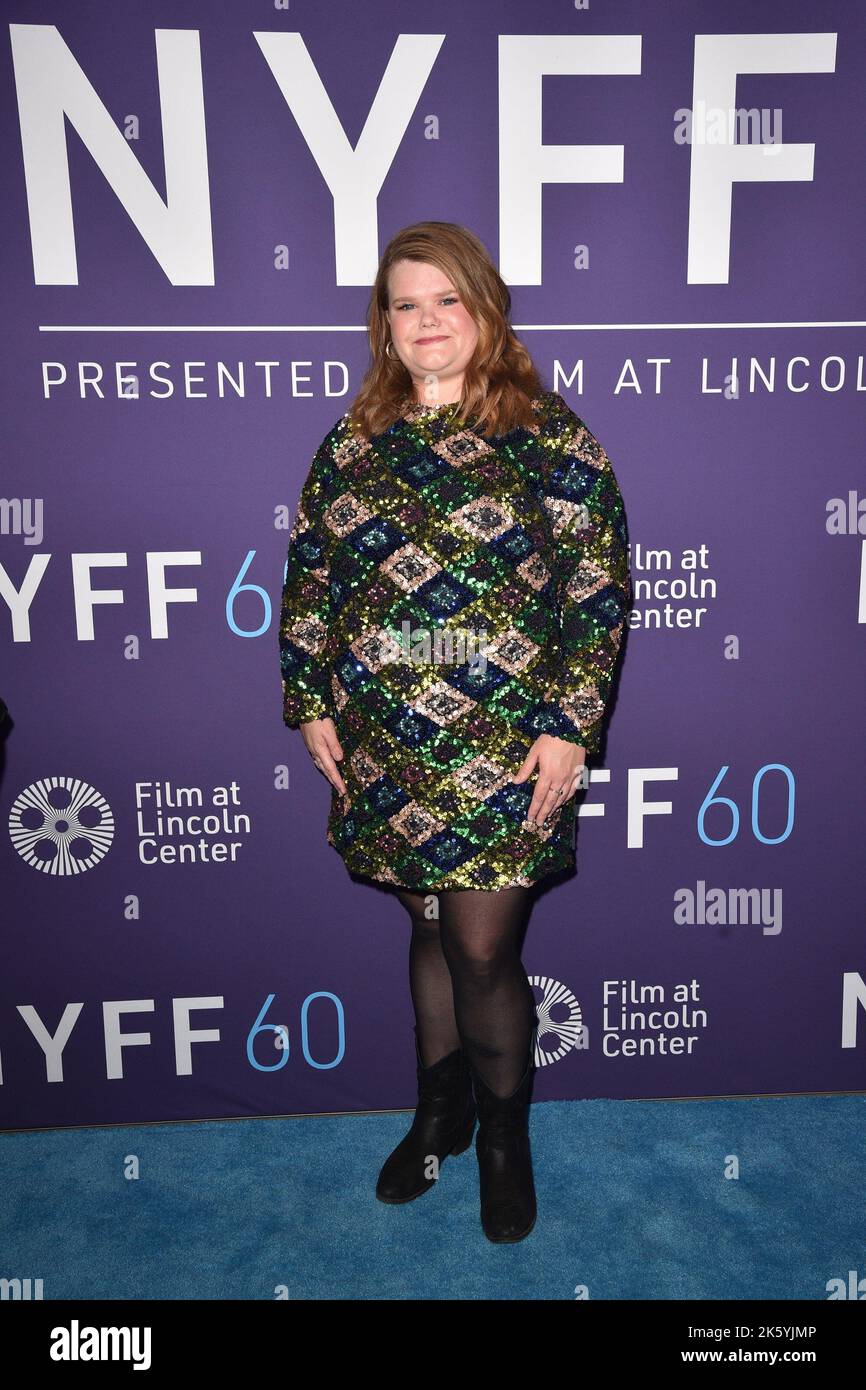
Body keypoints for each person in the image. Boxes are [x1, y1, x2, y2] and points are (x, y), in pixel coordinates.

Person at [278, 222, 632, 1243]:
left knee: (480, 946)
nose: (426, 320)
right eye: (404, 303)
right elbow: (309, 580)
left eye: (446, 299)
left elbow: (596, 593)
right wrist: (309, 698)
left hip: (505, 743)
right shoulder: (353, 438)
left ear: (483, 308)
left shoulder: (551, 435)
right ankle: (437, 1117)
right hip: (387, 739)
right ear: (382, 324)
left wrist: (569, 727)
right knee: (427, 925)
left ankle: (503, 1138)